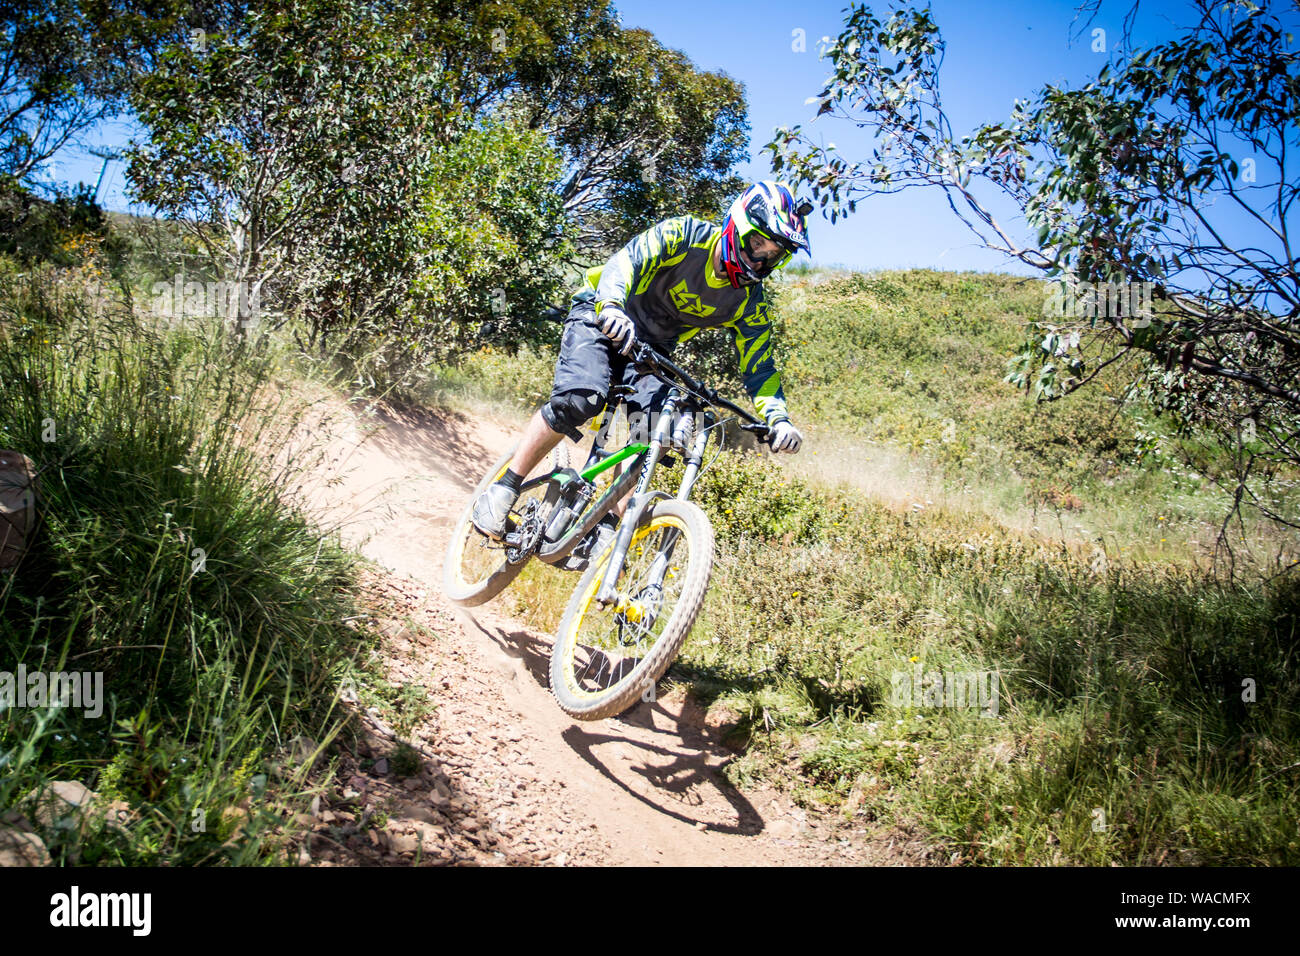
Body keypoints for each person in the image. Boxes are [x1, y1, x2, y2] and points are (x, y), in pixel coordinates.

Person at [471, 180, 812, 540]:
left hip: (653, 349)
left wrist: (780, 419)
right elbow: (625, 262)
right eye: (757, 243)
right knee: (580, 400)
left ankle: (604, 530)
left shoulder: (749, 302)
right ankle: (503, 488)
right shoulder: (685, 234)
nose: (760, 258)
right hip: (602, 311)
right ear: (737, 227)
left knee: (647, 434)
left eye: (772, 254)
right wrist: (613, 307)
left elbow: (760, 366)